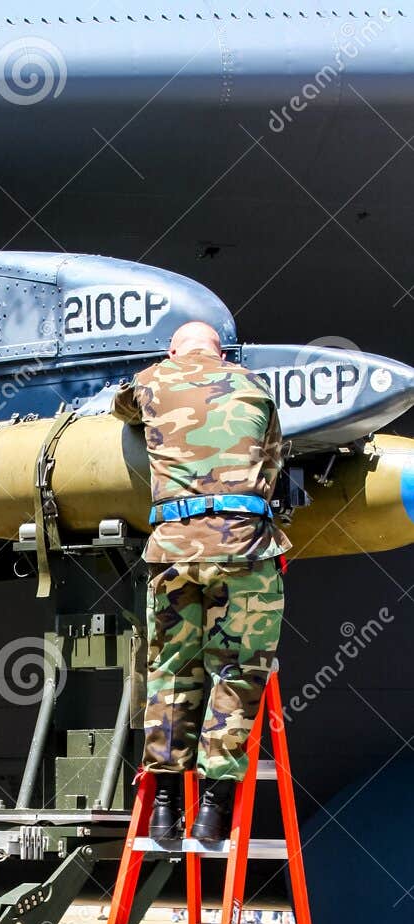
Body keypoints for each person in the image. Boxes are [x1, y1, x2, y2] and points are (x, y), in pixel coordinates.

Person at [112, 319, 288, 846]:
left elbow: (120, 410)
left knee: (170, 668)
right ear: (221, 351)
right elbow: (274, 459)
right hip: (244, 545)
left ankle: (164, 807)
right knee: (237, 669)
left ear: (173, 350)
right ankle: (213, 811)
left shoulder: (151, 380)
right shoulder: (255, 387)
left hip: (173, 549)